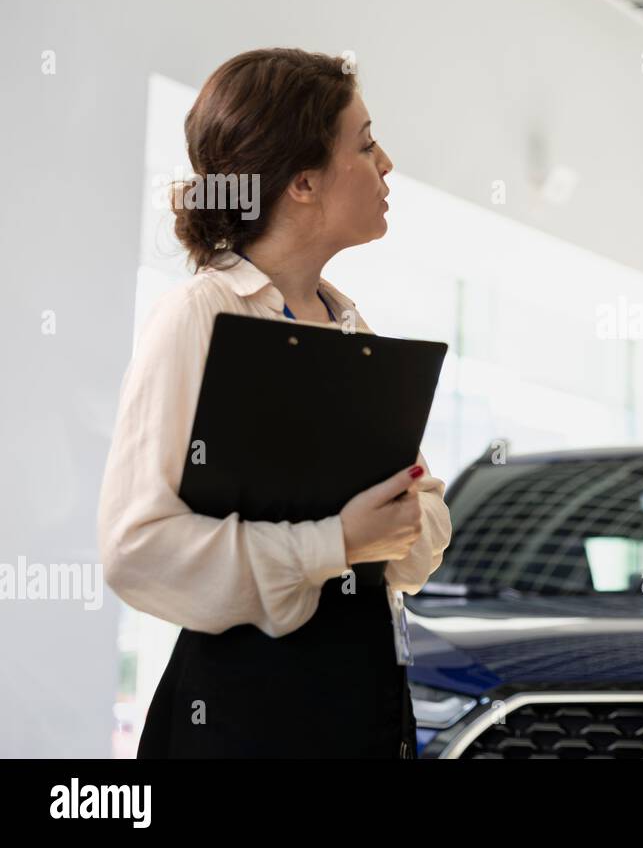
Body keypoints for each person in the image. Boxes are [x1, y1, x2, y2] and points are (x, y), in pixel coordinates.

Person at [97, 48, 453, 757]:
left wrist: (401, 524)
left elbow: (427, 525)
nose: (387, 164)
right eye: (366, 142)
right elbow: (136, 550)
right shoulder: (200, 315)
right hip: (243, 716)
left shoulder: (352, 326)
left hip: (364, 697)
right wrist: (337, 543)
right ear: (302, 182)